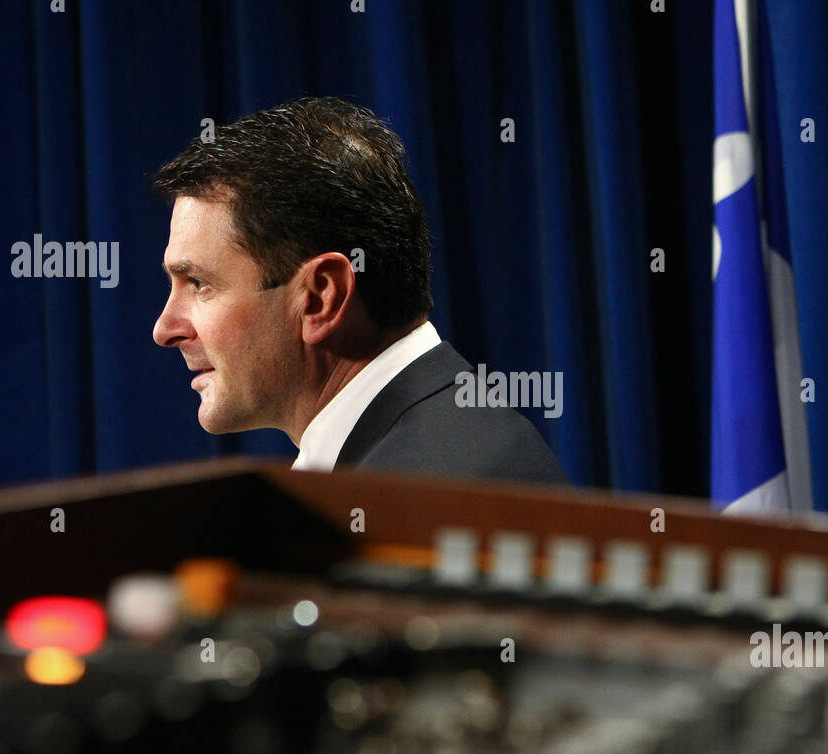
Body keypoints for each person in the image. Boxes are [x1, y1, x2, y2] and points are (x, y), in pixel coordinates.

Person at [151, 96, 568, 485]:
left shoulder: (417, 495)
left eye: (200, 284)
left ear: (320, 297)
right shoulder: (424, 447)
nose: (165, 329)